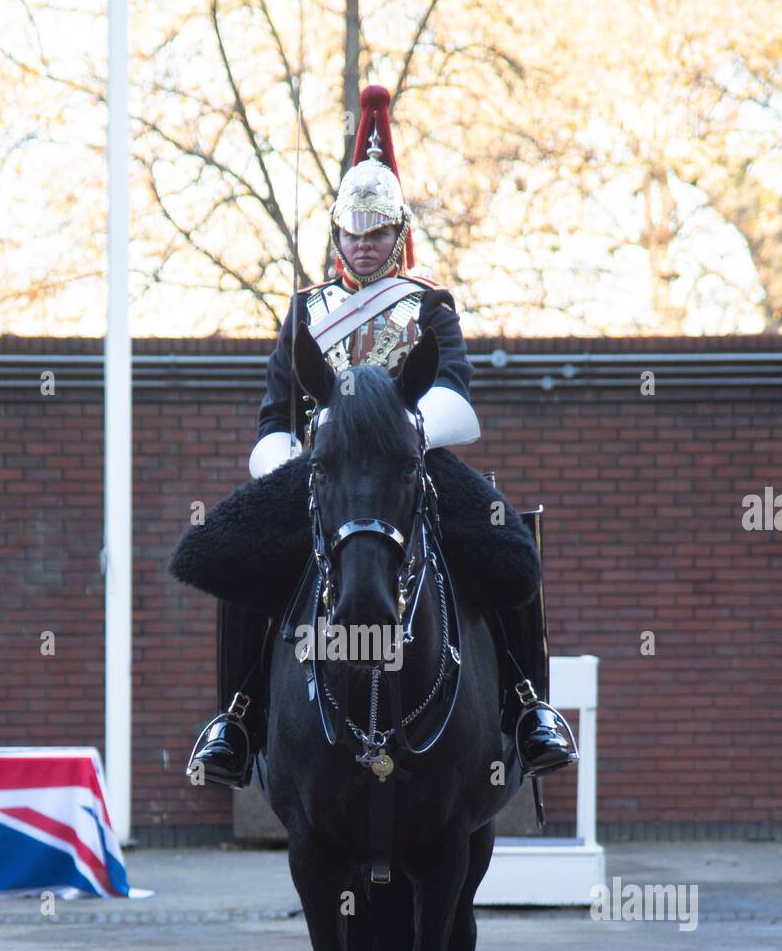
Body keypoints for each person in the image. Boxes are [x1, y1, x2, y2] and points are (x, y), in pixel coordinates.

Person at [188, 85, 577, 788]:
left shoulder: (428, 303)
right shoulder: (306, 311)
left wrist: (400, 434)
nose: (362, 248)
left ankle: (527, 705)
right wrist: (284, 465)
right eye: (351, 233)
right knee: (234, 548)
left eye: (375, 234)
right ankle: (236, 718)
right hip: (323, 472)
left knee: (506, 541)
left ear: (397, 235)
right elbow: (275, 415)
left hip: (408, 465)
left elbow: (456, 395)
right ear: (334, 235)